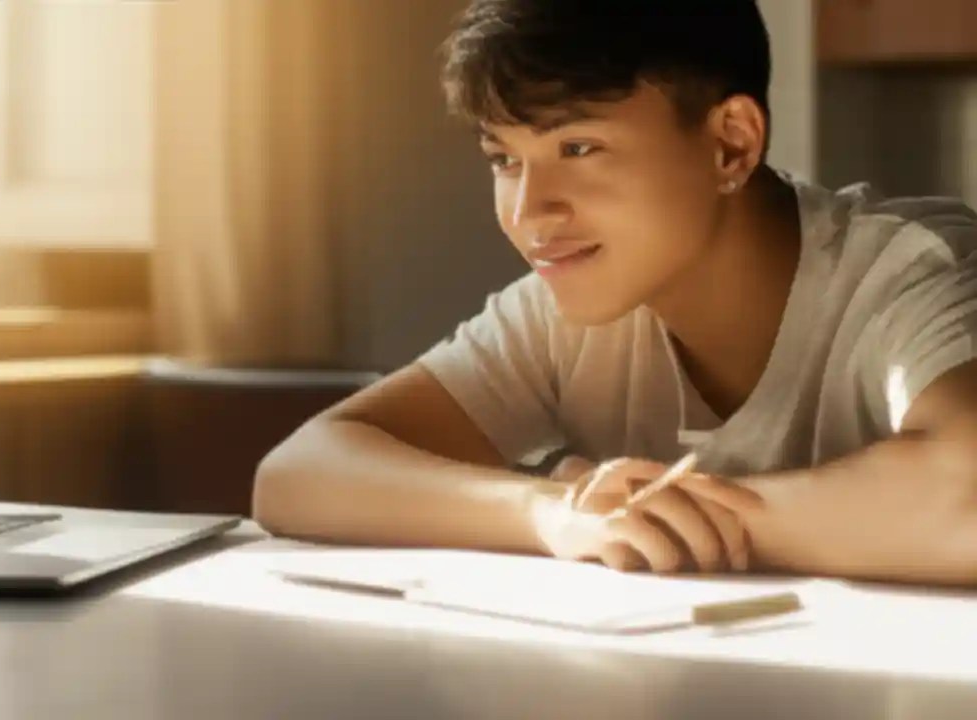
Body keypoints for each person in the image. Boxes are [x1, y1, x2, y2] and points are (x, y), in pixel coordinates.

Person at [252, 0, 977, 585]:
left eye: (577, 148)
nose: (530, 212)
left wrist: (660, 517)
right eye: (504, 158)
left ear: (731, 143)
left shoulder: (913, 272)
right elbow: (299, 472)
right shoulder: (563, 311)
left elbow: (966, 495)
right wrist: (553, 514)